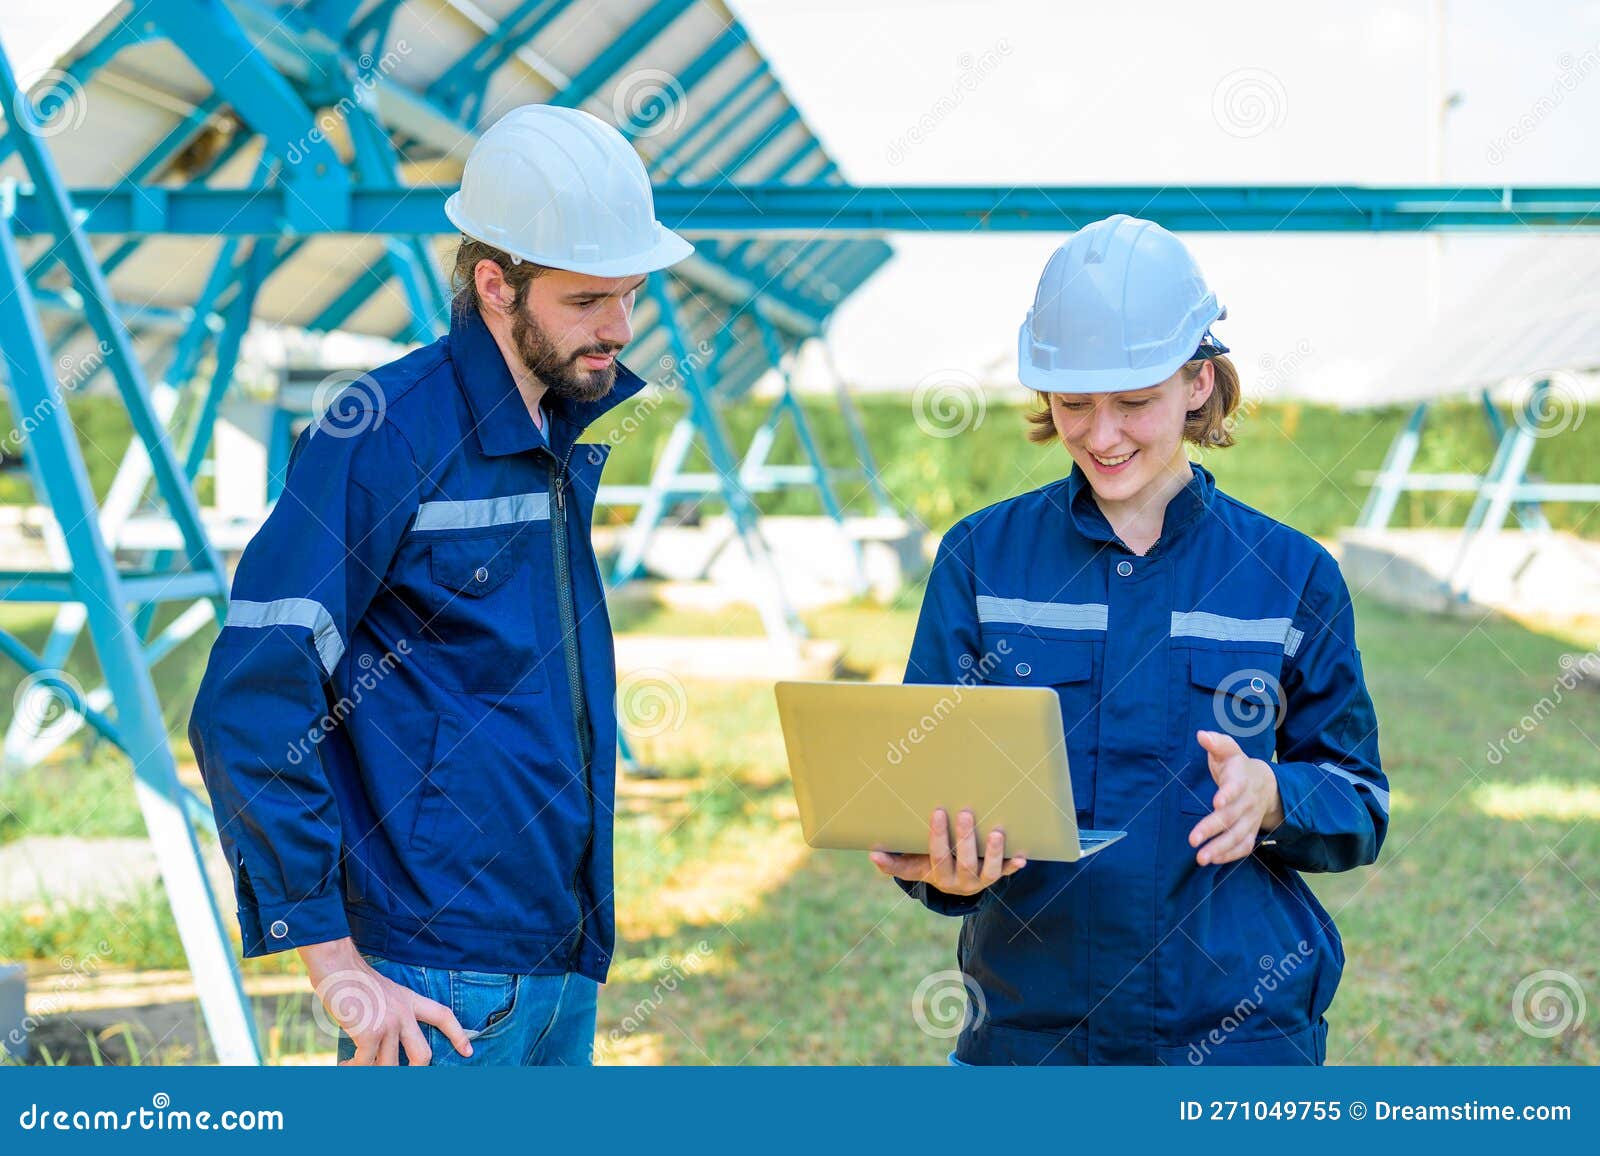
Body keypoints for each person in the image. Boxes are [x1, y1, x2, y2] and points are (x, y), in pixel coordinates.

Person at [188, 105, 692, 1066]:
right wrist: (335, 965)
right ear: (496, 284)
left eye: (629, 294)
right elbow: (248, 700)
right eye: (588, 300)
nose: (619, 328)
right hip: (437, 980)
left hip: (558, 961)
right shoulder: (380, 431)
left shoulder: (554, 433)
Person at [871, 214, 1388, 1066]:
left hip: (1238, 1040)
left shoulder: (1292, 574)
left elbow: (1359, 799)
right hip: (1030, 1038)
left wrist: (1274, 799)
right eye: (1074, 403)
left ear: (1196, 381)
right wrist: (938, 872)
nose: (1102, 436)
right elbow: (930, 795)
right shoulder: (982, 560)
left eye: (1135, 402)